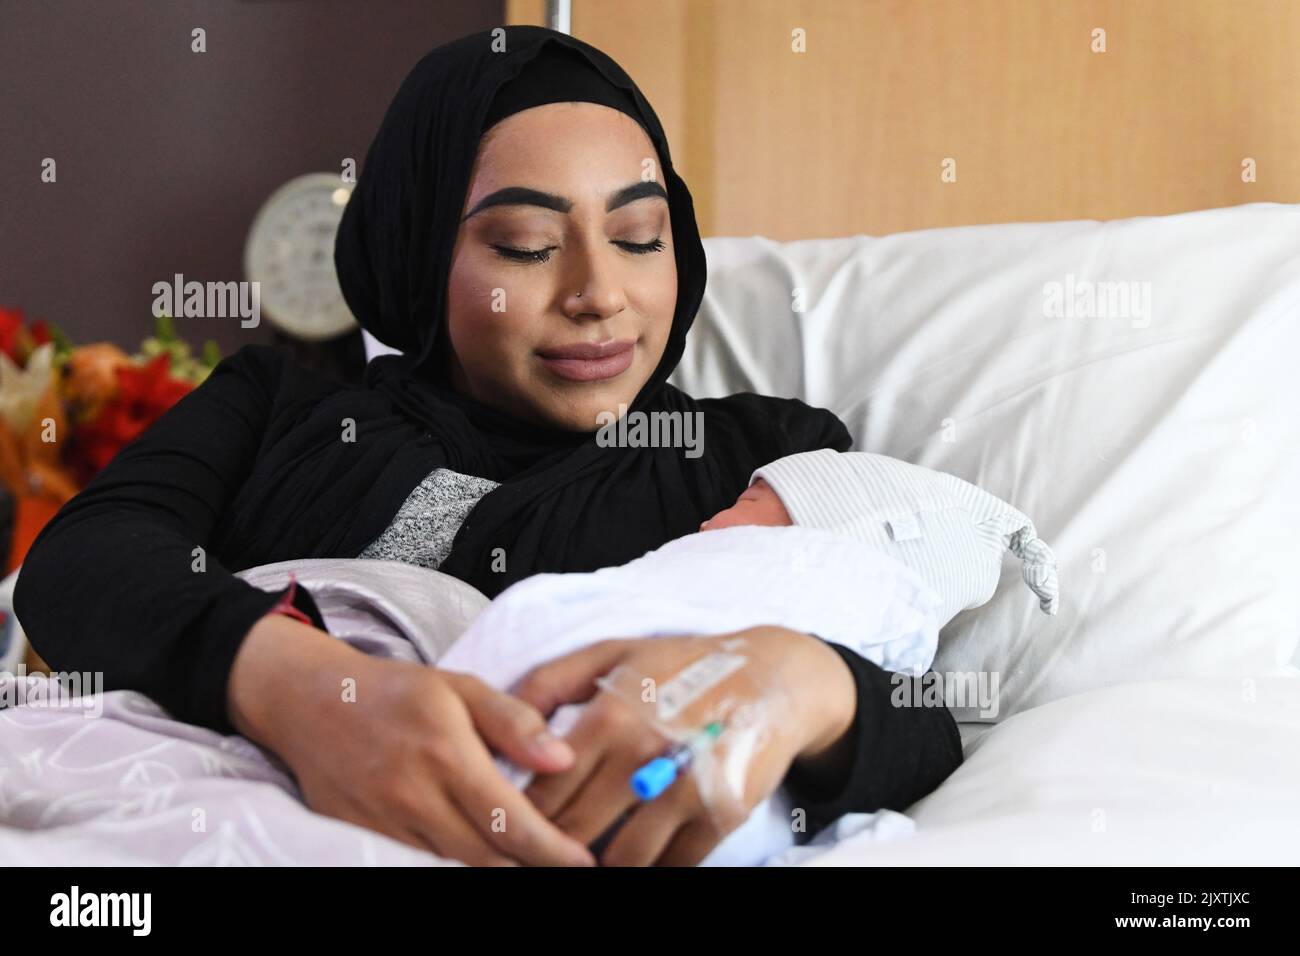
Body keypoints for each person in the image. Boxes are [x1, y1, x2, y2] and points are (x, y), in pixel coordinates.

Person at [13, 25, 963, 866]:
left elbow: (922, 713)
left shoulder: (759, 459)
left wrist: (799, 685)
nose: (599, 293)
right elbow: (85, 565)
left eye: (639, 235)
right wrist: (302, 689)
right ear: (418, 252)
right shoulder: (278, 406)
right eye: (524, 244)